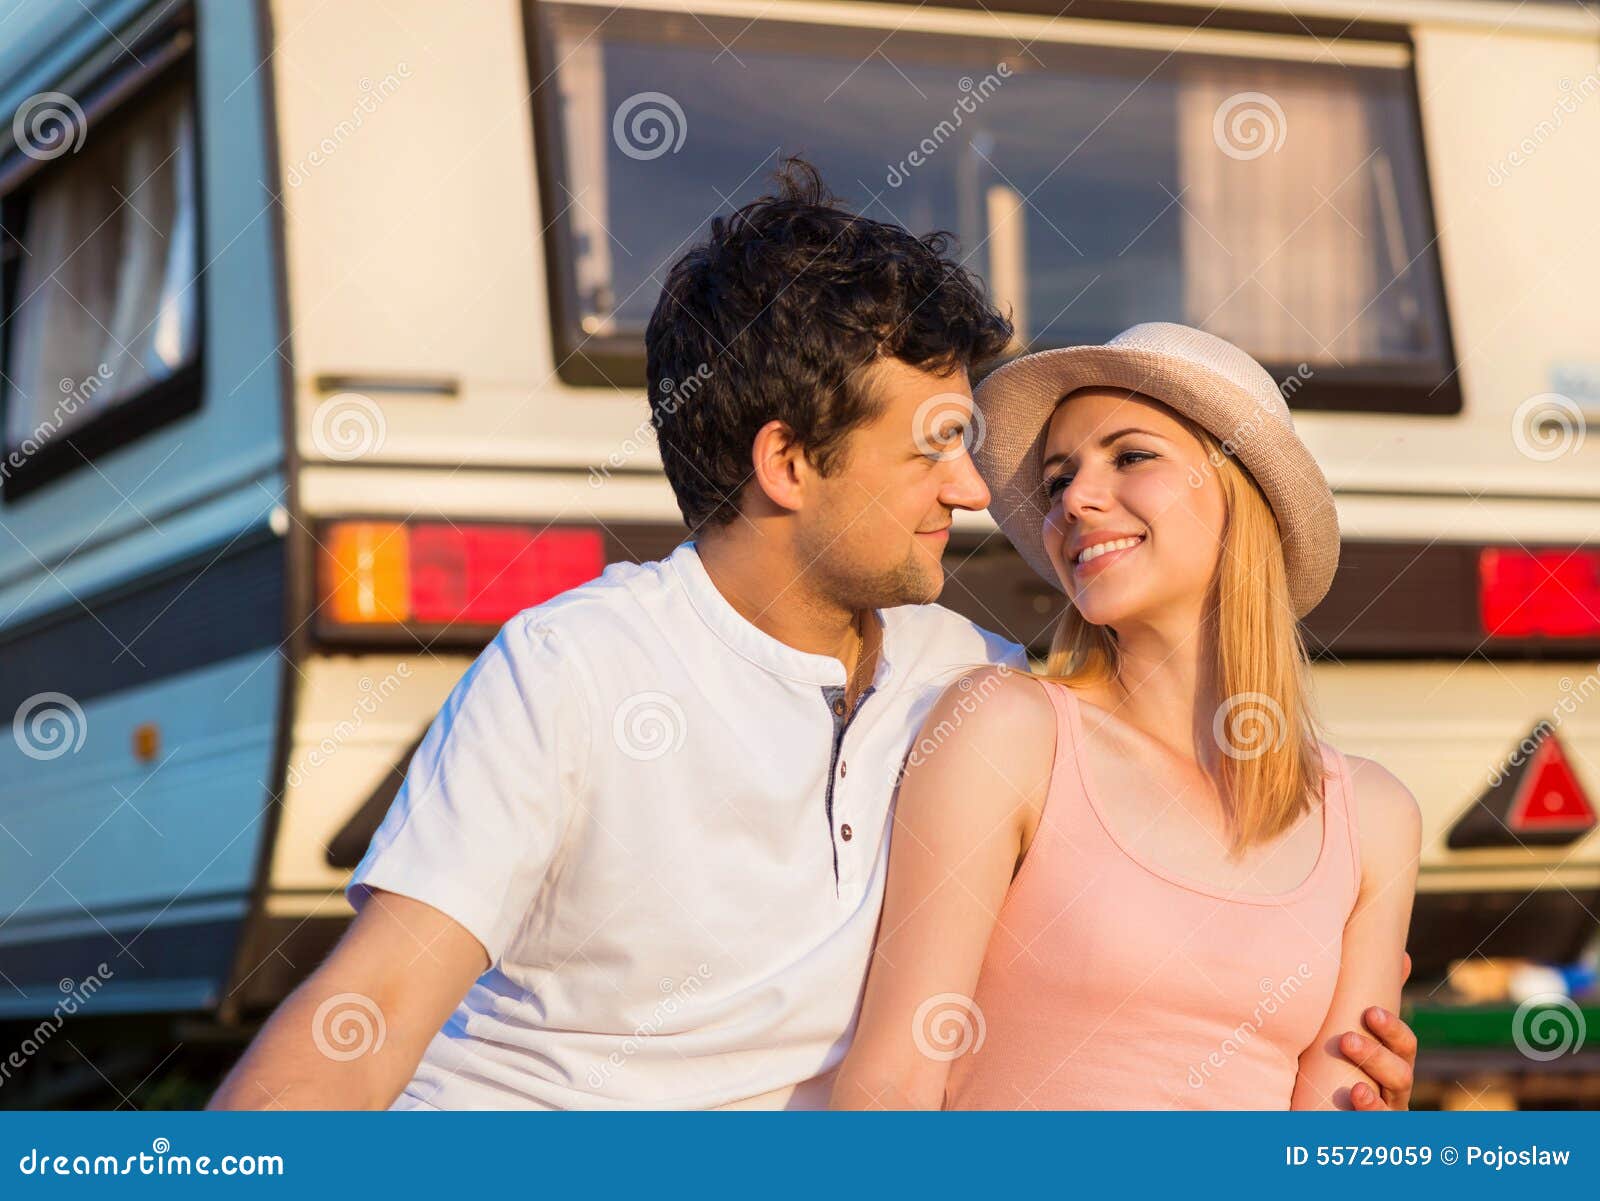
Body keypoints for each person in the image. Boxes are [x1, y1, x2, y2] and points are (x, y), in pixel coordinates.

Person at [210, 165, 1418, 1110]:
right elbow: (369, 1012)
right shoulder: (577, 668)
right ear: (787, 464)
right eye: (934, 448)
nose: (975, 492)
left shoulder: (965, 682)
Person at [832, 322, 1422, 1110]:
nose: (1075, 499)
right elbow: (890, 1084)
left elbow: (1327, 1146)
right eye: (1057, 480)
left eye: (1132, 456)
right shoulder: (1009, 730)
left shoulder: (1374, 817)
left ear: (1243, 493)